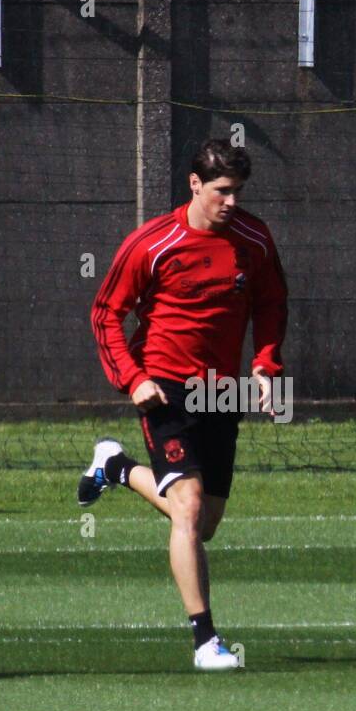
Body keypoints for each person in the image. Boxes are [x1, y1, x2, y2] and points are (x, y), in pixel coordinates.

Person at [82, 140, 289, 671]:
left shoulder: (254, 238)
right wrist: (132, 379)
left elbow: (271, 302)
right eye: (222, 191)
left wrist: (265, 365)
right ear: (194, 185)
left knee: (206, 523)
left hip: (221, 391)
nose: (231, 202)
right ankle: (206, 641)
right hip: (164, 386)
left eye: (238, 192)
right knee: (189, 508)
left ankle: (116, 466)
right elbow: (105, 313)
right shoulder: (153, 243)